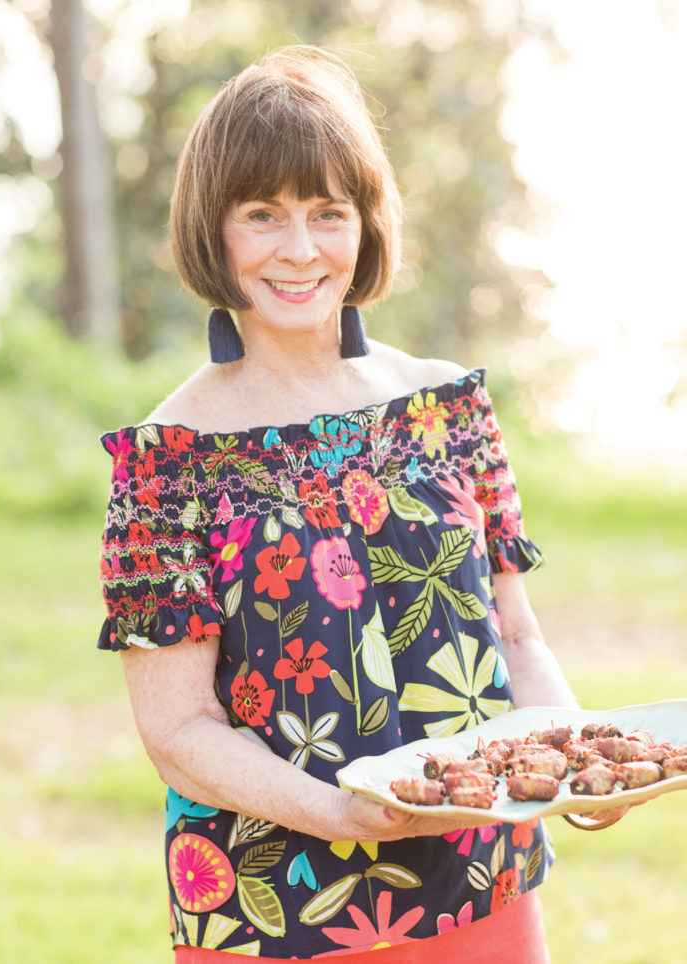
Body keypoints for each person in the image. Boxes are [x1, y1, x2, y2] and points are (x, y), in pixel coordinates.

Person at [97, 45, 619, 963]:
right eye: (262, 214)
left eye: (328, 213)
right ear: (212, 230)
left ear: (367, 225)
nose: (300, 250)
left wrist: (577, 759)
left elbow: (517, 636)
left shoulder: (448, 406)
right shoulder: (167, 463)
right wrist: (341, 814)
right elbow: (179, 732)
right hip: (273, 908)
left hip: (480, 878)